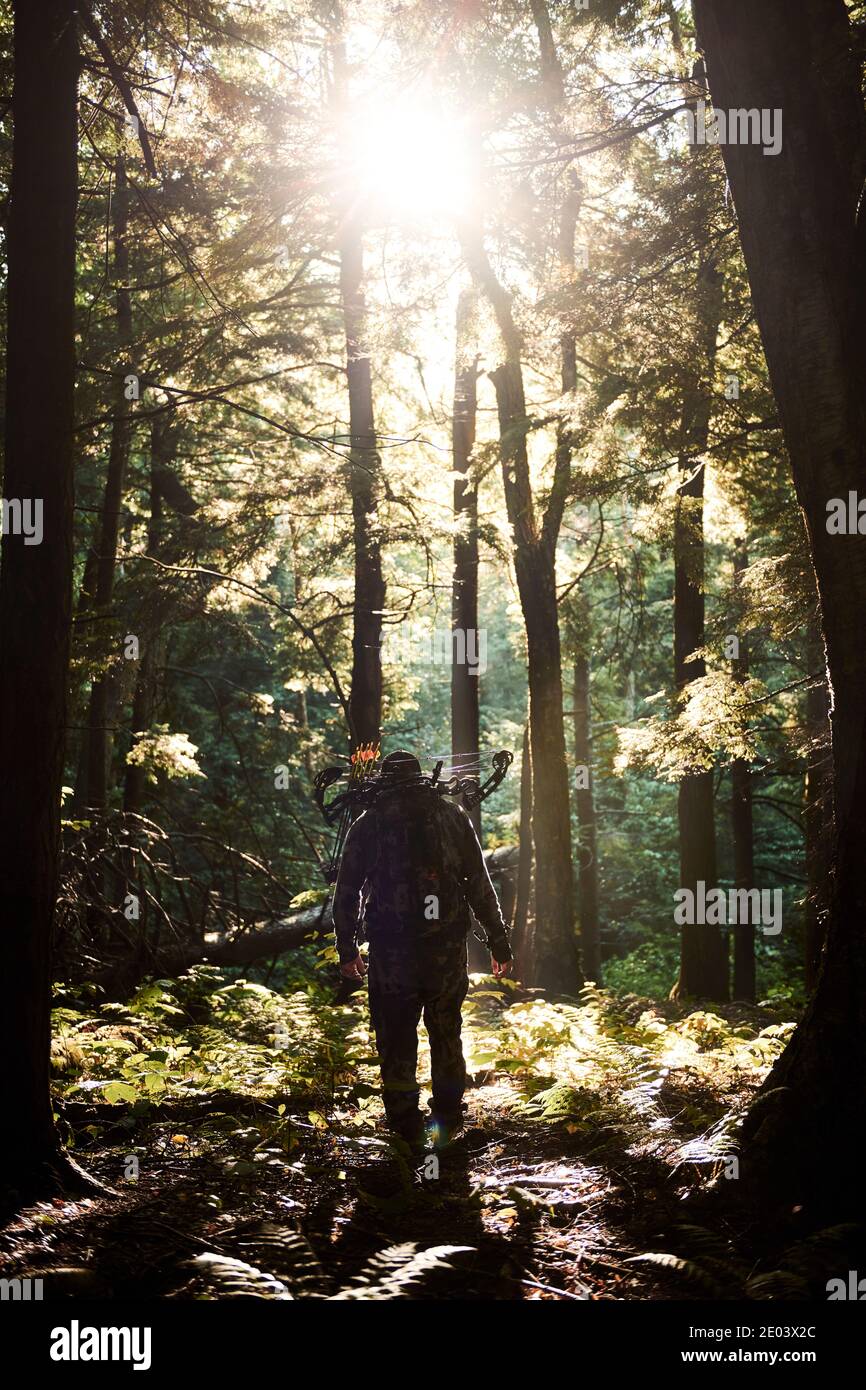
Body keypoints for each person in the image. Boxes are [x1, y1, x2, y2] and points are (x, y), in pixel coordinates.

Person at [332, 748, 513, 1147]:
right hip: (444, 950)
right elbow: (479, 885)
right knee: (446, 1028)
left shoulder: (369, 824)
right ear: (419, 777)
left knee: (395, 1034)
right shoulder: (452, 817)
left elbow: (346, 894)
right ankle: (447, 1115)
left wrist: (348, 950)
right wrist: (498, 940)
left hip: (392, 954)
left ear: (383, 780)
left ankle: (404, 1123)